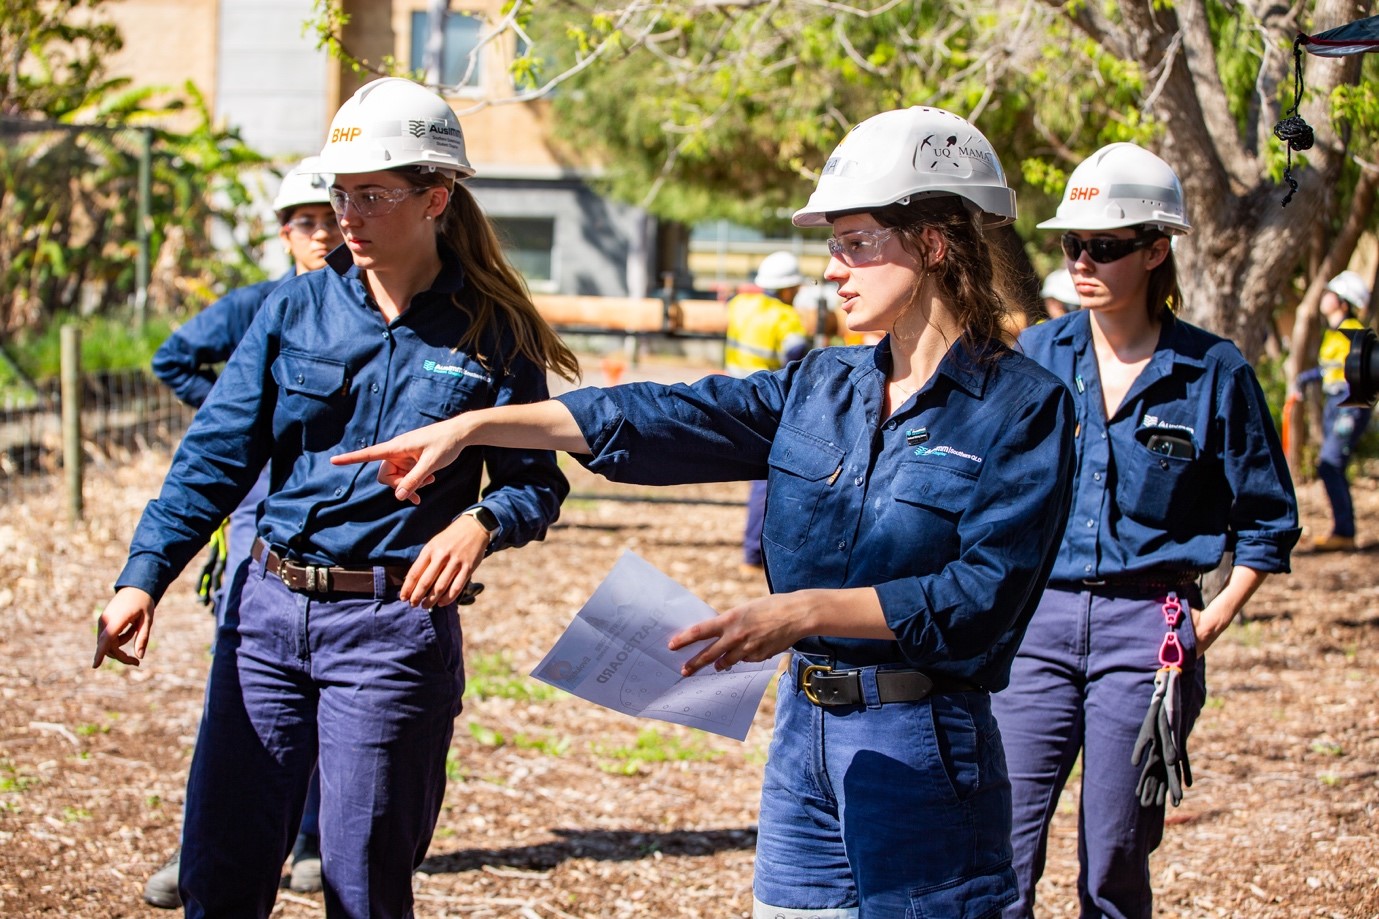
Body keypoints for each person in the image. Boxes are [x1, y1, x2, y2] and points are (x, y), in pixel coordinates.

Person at [333, 105, 1078, 917]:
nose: (834, 268)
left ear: (934, 244)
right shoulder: (818, 384)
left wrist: (800, 611)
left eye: (858, 243)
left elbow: (981, 596)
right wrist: (477, 424)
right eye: (834, 244)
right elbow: (658, 415)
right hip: (805, 736)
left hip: (923, 745)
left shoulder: (1023, 406)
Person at [92, 76, 578, 918]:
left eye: (371, 196)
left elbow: (537, 480)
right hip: (266, 617)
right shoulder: (290, 310)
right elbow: (212, 457)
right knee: (222, 869)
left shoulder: (491, 331)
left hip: (393, 635)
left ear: (435, 197)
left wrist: (481, 520)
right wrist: (142, 577)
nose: (346, 216)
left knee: (362, 883)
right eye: (338, 194)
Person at [991, 142, 1300, 918]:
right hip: (1035, 628)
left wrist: (1208, 622)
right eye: (1071, 245)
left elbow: (1266, 518)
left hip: (1149, 633)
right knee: (998, 853)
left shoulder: (1213, 370)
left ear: (1155, 249)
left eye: (1104, 245)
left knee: (1114, 863)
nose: (1081, 261)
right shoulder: (1035, 356)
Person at [140, 157, 342, 909]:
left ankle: (313, 838)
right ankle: (207, 848)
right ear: (285, 233)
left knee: (332, 687)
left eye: (331, 217)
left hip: (337, 536)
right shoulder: (265, 305)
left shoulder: (378, 312)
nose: (322, 234)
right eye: (306, 222)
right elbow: (174, 357)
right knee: (245, 689)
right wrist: (235, 412)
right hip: (255, 514)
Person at [723, 250, 809, 573]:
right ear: (788, 289)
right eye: (796, 287)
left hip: (733, 394)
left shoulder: (741, 305)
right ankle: (754, 554)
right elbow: (798, 357)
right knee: (766, 477)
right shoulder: (786, 317)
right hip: (768, 402)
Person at [1296, 269, 1372, 551]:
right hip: (1334, 404)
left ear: (1342, 301)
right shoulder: (1335, 334)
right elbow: (1331, 369)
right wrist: (1304, 380)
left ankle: (1344, 532)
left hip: (1348, 407)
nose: (1324, 297)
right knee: (1330, 467)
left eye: (1331, 294)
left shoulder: (1352, 330)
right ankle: (1343, 530)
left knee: (1330, 464)